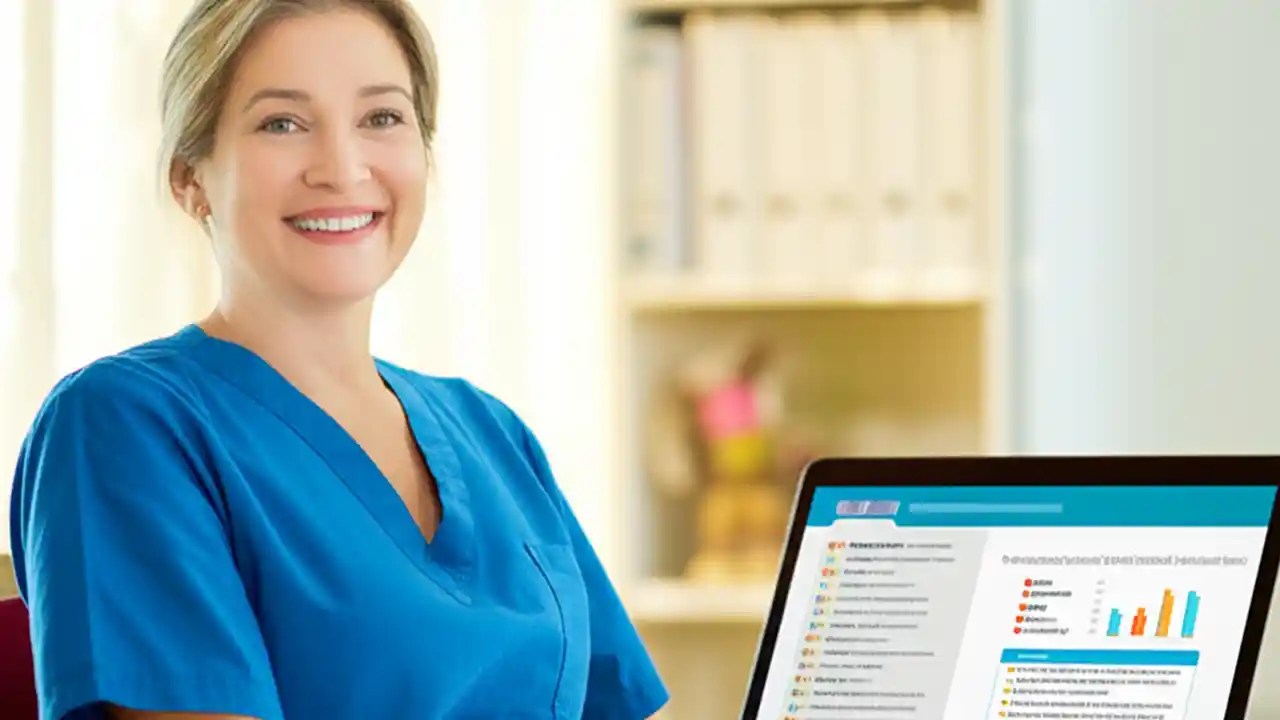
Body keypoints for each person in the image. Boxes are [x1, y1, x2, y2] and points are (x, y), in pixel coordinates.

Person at [8, 1, 669, 719]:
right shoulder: (126, 424)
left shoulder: (492, 433)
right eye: (282, 124)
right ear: (190, 178)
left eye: (382, 118)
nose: (343, 168)